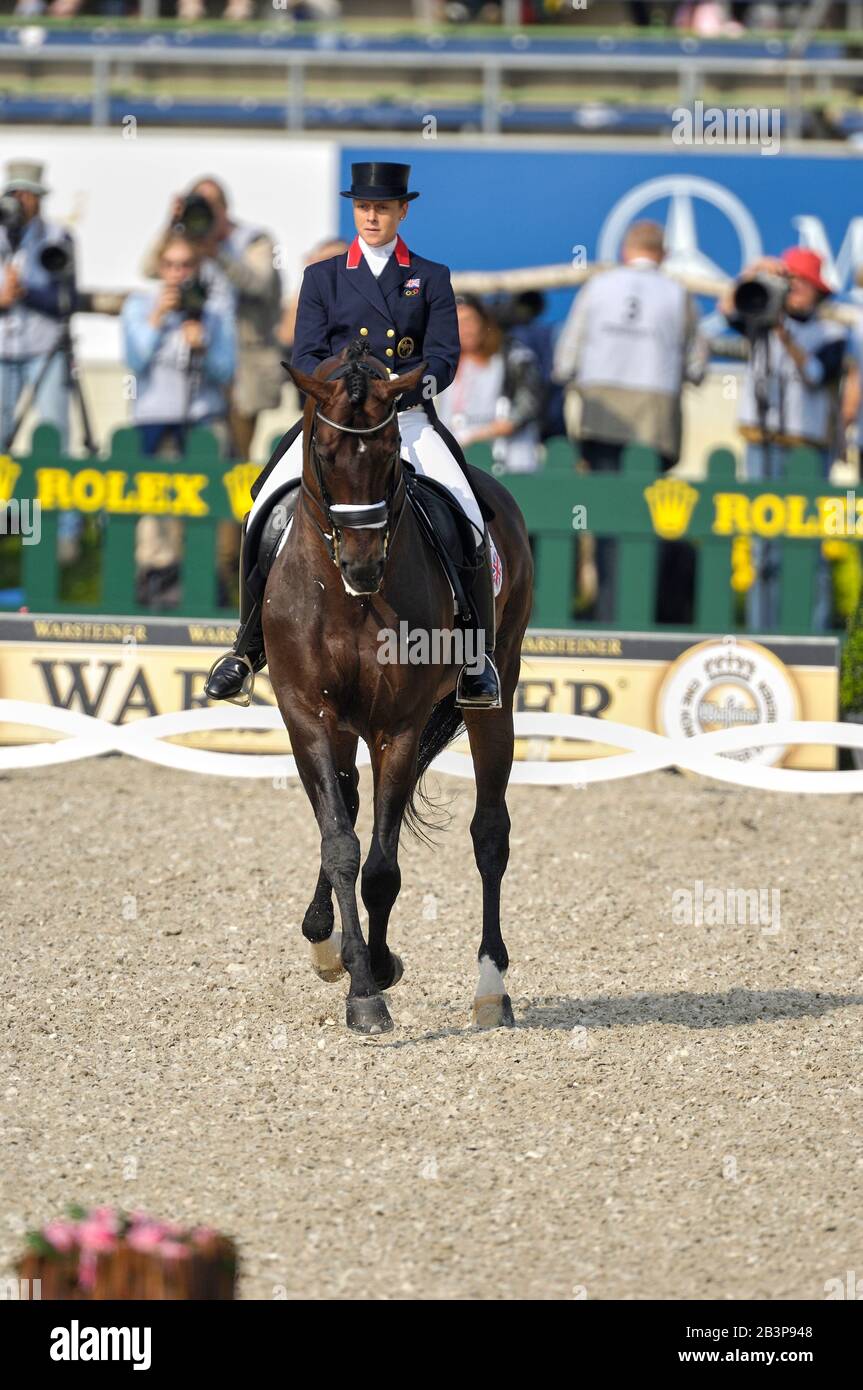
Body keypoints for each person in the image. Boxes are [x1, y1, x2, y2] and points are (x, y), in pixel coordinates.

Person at [204, 160, 501, 709]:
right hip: (338, 420)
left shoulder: (430, 276)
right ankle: (245, 648)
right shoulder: (323, 277)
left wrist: (406, 387)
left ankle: (473, 656)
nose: (372, 216)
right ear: (354, 210)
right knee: (263, 506)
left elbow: (443, 354)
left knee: (467, 513)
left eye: (382, 208)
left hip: (403, 418)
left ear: (401, 211)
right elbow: (307, 354)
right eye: (363, 207)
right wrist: (345, 386)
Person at [553, 218, 706, 624]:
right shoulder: (678, 293)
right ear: (664, 254)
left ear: (625, 251)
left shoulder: (599, 286)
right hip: (654, 419)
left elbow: (566, 356)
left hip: (602, 411)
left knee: (604, 515)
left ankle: (607, 611)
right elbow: (697, 365)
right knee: (645, 516)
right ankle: (641, 611)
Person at [720, 247, 847, 630]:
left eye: (803, 284)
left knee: (812, 548)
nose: (795, 291)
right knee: (763, 548)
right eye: (790, 282)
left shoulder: (833, 332)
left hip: (807, 448)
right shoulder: (759, 315)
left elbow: (814, 373)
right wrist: (754, 270)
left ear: (818, 290)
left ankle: (813, 633)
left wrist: (783, 333)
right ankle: (764, 632)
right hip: (763, 442)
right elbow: (727, 306)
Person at [121, 232, 235, 608]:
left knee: (203, 504)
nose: (177, 273)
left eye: (185, 265)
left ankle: (207, 584)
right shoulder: (139, 305)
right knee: (156, 505)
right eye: (170, 265)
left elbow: (226, 369)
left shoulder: (214, 310)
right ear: (159, 266)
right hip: (154, 417)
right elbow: (135, 362)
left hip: (201, 418)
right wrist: (157, 320)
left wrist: (203, 344)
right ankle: (157, 582)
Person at [141, 177, 283, 462]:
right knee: (206, 444)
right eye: (198, 204)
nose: (206, 213)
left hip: (244, 357)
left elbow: (260, 284)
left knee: (238, 449)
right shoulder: (186, 238)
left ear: (225, 208)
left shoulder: (253, 239)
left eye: (211, 205)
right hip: (201, 357)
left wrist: (217, 253)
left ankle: (240, 498)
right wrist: (171, 224)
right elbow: (148, 269)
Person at [435, 293, 544, 474]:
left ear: (483, 321)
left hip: (508, 462)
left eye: (469, 320)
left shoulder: (514, 357)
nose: (465, 329)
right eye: (457, 322)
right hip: (453, 464)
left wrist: (474, 435)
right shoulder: (440, 363)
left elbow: (528, 406)